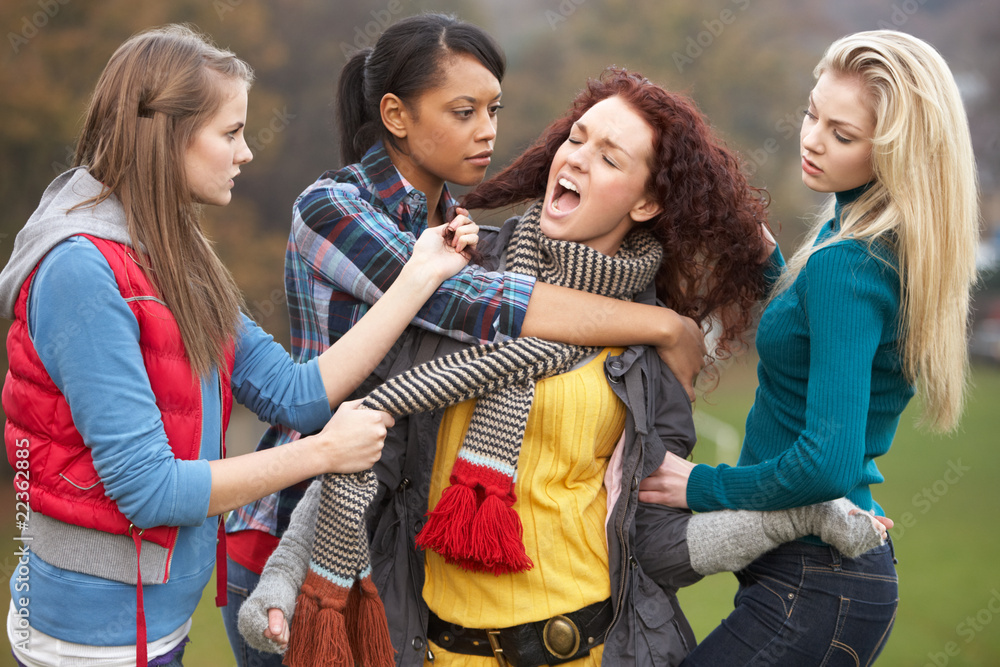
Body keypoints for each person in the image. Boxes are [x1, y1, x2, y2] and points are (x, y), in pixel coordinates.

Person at [237, 68, 887, 667]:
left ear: (645, 203)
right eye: (576, 138)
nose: (575, 157)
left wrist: (795, 516)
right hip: (442, 650)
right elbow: (366, 444)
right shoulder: (461, 284)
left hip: (592, 649)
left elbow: (654, 540)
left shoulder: (650, 343)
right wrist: (284, 576)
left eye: (609, 157)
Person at [220, 14, 708, 667]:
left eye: (493, 110)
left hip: (386, 545)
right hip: (294, 525)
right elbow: (476, 305)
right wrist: (663, 325)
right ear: (396, 116)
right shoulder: (335, 207)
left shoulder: (458, 227)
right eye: (463, 111)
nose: (488, 131)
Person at [0, 24, 479, 667]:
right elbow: (150, 489)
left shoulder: (176, 253)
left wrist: (420, 273)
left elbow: (294, 393)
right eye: (230, 133)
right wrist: (324, 453)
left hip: (156, 621)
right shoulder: (80, 271)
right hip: (91, 637)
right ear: (168, 135)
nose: (246, 153)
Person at [637, 30, 979, 665]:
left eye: (841, 134)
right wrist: (773, 265)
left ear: (897, 154)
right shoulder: (864, 241)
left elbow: (827, 464)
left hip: (819, 588)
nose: (813, 139)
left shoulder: (847, 265)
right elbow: (820, 337)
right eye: (811, 113)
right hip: (823, 581)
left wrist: (703, 485)